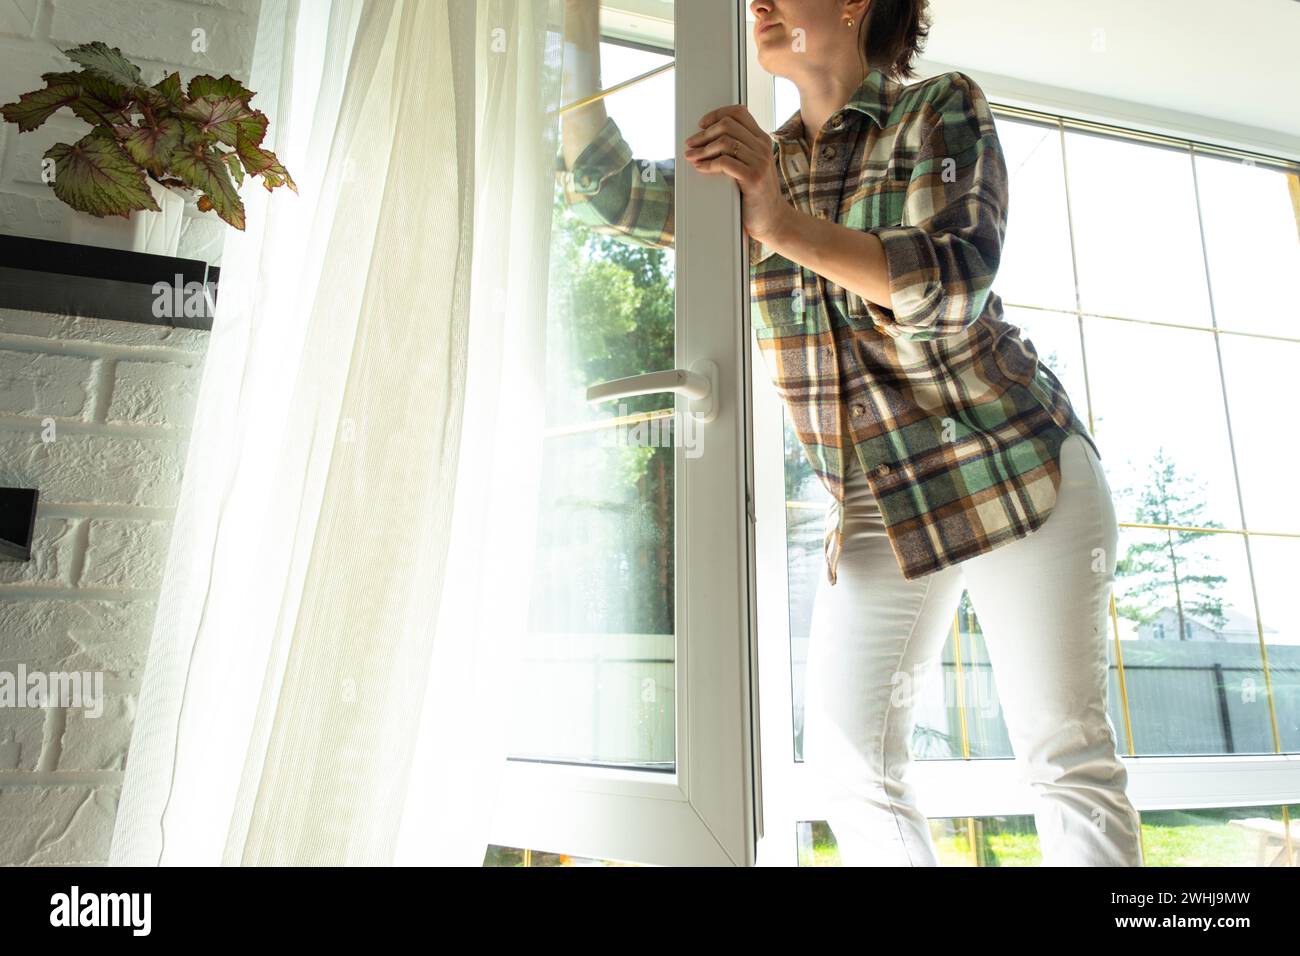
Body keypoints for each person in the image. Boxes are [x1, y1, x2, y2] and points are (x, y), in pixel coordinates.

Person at [560, 0, 1144, 866]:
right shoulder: (759, 162)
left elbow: (953, 286)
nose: (756, 1)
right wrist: (571, 27)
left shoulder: (937, 108)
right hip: (877, 498)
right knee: (849, 767)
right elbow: (611, 191)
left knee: (1064, 756)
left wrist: (781, 222)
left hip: (1012, 465)